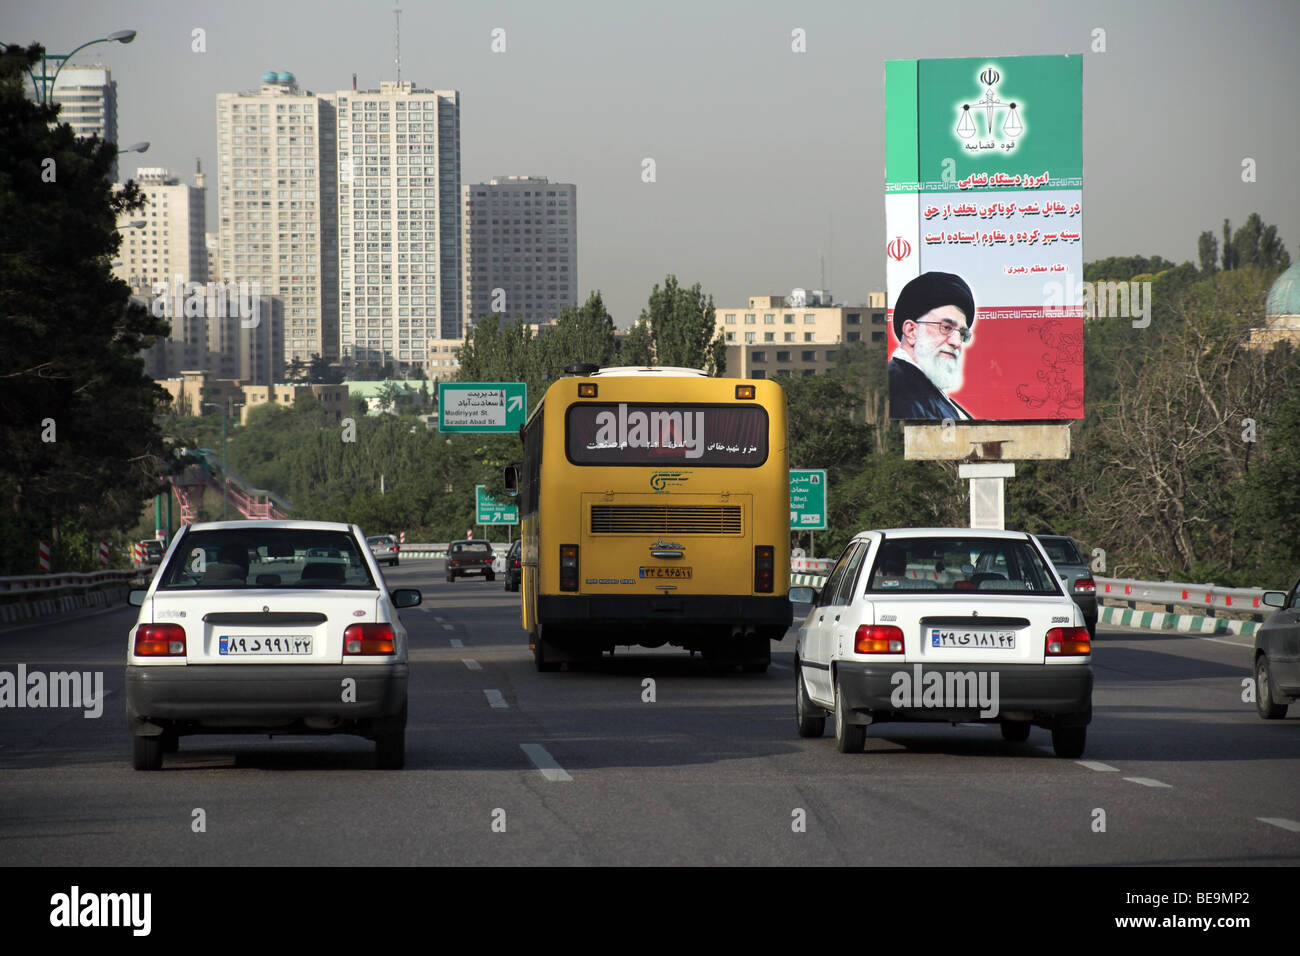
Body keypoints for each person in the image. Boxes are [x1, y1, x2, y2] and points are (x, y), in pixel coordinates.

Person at [888, 271, 976, 420]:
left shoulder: (928, 392)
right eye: (946, 328)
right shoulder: (897, 389)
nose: (956, 342)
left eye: (962, 334)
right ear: (911, 331)